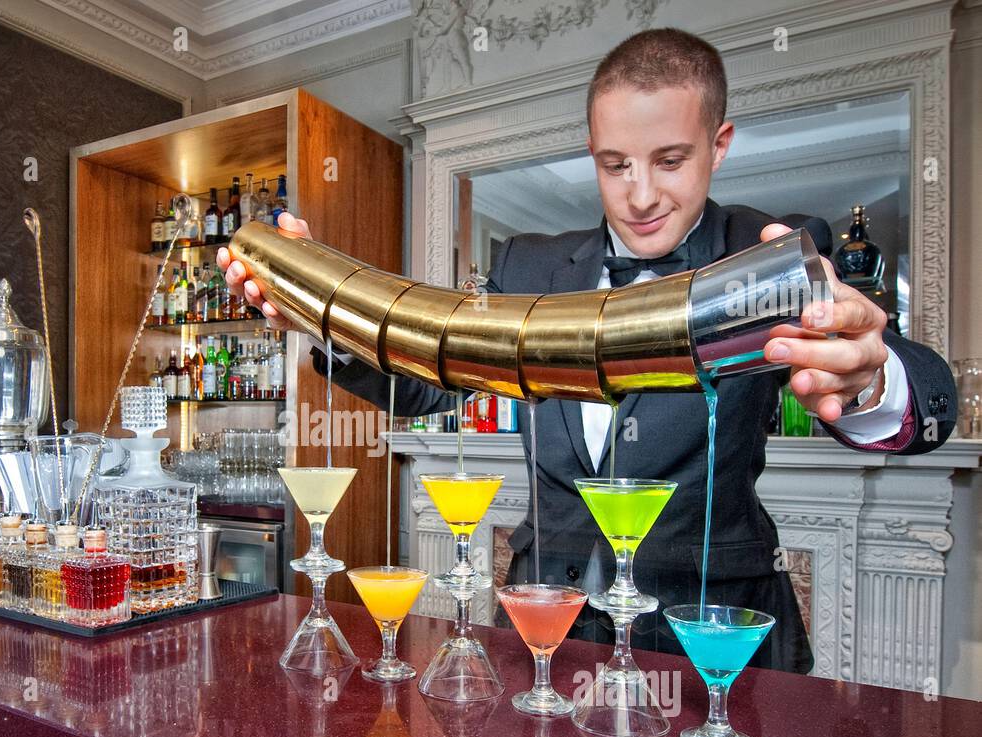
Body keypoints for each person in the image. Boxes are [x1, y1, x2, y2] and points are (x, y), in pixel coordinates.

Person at [218, 28, 957, 674]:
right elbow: (430, 388)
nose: (638, 195)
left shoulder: (762, 256)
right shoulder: (529, 267)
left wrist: (868, 375)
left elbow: (928, 405)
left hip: (709, 636)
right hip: (544, 628)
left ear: (719, 146)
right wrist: (320, 316)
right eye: (614, 164)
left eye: (669, 160)